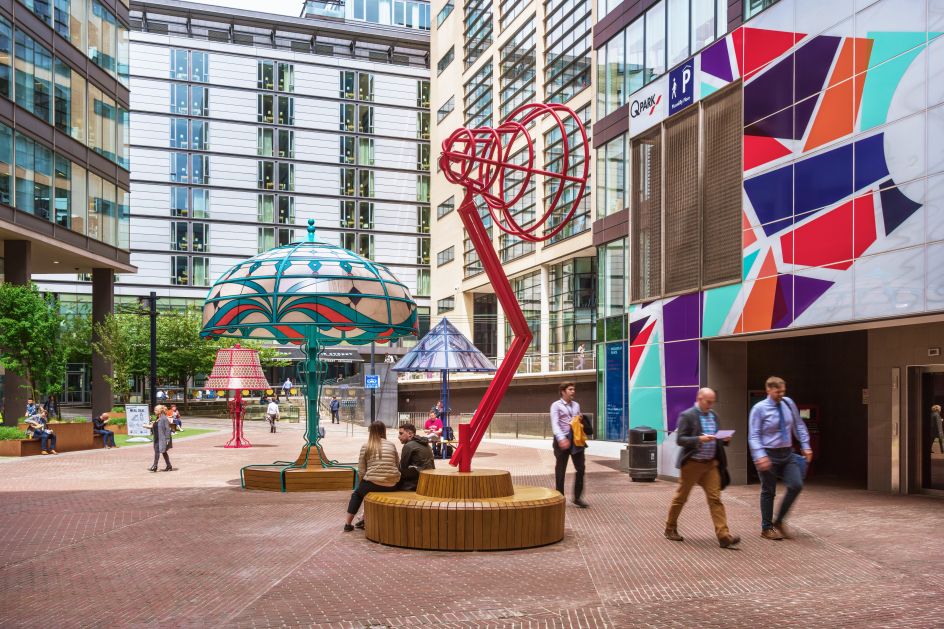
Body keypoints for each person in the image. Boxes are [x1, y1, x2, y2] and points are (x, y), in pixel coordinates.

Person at [664, 388, 739, 548]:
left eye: (712, 402)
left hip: (711, 464)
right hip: (692, 464)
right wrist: (699, 439)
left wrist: (725, 439)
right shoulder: (687, 415)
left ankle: (724, 536)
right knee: (681, 497)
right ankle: (670, 528)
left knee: (715, 499)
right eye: (708, 401)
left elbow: (717, 438)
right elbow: (681, 440)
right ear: (699, 398)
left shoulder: (714, 416)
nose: (710, 405)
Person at [748, 376, 813, 541]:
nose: (781, 395)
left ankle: (779, 521)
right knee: (769, 490)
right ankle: (766, 528)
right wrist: (760, 455)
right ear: (768, 390)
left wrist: (805, 445)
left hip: (787, 453)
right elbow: (754, 435)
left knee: (796, 485)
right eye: (778, 392)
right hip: (768, 454)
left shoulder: (788, 403)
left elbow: (798, 424)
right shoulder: (759, 409)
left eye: (783, 391)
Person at [344, 421, 401, 532]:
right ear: (383, 431)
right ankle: (364, 518)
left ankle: (348, 523)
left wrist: (362, 484)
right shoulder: (391, 444)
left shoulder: (366, 446)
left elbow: (361, 470)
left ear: (370, 432)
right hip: (392, 484)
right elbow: (397, 464)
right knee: (365, 490)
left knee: (357, 494)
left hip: (374, 483)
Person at [550, 381, 592, 508]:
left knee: (581, 468)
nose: (573, 392)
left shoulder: (576, 405)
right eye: (570, 389)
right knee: (561, 469)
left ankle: (577, 498)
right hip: (561, 440)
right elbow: (555, 423)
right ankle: (559, 496)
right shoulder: (556, 406)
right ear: (563, 391)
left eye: (573, 389)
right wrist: (562, 438)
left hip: (576, 440)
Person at [396, 423, 435, 491]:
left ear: (410, 434)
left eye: (401, 433)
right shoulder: (425, 443)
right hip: (429, 480)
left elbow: (403, 468)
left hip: (416, 483)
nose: (399, 436)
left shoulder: (408, 446)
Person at [148, 405, 174, 472]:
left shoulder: (164, 418)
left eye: (156, 410)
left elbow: (167, 429)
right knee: (162, 452)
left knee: (159, 452)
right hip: (157, 438)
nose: (154, 411)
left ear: (160, 411)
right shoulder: (158, 418)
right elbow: (155, 426)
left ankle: (155, 466)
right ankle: (169, 466)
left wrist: (167, 439)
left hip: (162, 439)